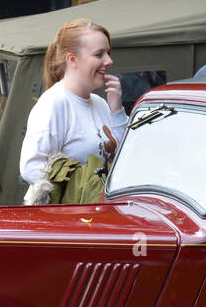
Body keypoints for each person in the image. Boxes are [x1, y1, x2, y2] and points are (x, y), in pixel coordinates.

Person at [19, 19, 127, 203]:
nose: (109, 61)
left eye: (108, 53)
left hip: (97, 217)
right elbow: (30, 167)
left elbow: (123, 156)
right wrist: (73, 194)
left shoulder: (101, 104)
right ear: (72, 59)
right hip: (63, 223)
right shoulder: (54, 104)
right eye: (99, 54)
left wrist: (117, 110)